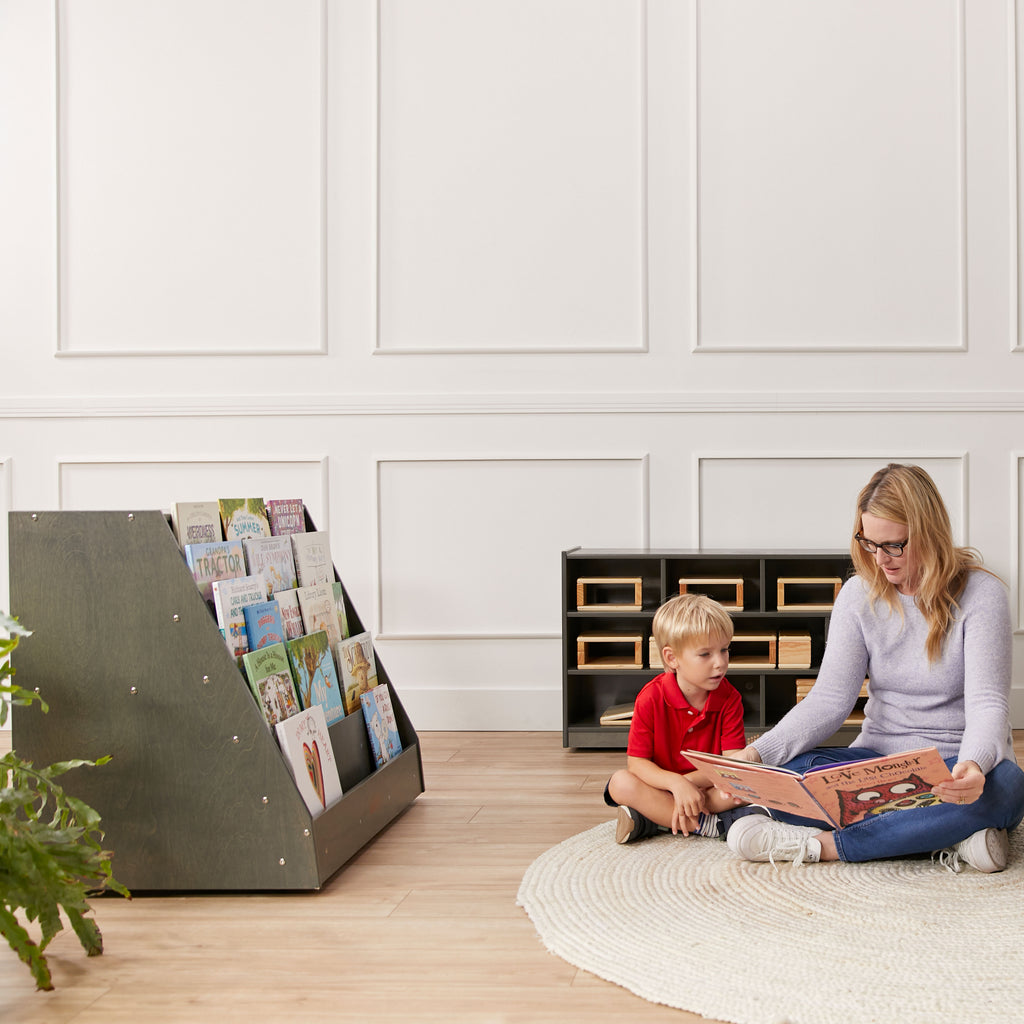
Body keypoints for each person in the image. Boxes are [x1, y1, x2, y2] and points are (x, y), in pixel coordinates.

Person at [723, 463, 1024, 871]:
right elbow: (829, 700)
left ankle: (822, 846)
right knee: (790, 775)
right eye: (869, 542)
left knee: (1006, 787)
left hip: (952, 765)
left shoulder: (982, 594)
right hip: (875, 767)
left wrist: (972, 766)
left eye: (895, 544)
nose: (880, 558)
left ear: (929, 533)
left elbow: (988, 703)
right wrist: (758, 755)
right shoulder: (858, 594)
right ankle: (949, 839)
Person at [605, 592, 768, 844]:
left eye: (724, 650)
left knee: (750, 781)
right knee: (619, 783)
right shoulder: (650, 698)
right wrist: (676, 785)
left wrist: (688, 785)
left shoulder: (729, 698)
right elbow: (637, 764)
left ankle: (651, 820)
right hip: (662, 785)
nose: (720, 663)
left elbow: (730, 764)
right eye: (705, 654)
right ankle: (707, 825)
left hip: (708, 786)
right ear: (672, 658)